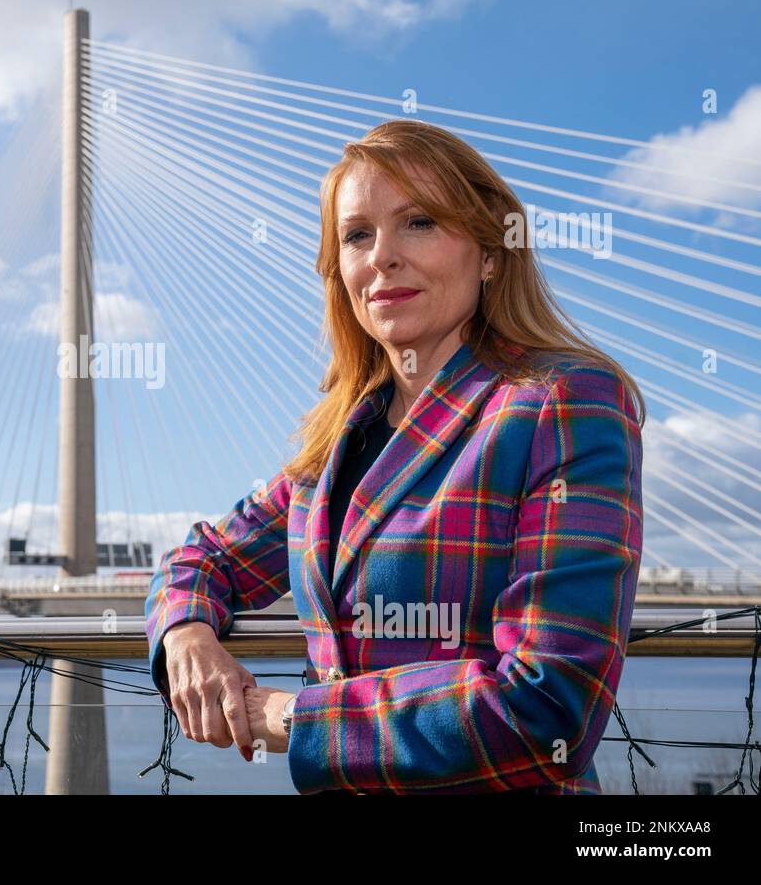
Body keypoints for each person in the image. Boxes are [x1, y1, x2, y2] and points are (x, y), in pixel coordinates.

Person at [144, 119, 644, 794]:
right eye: (357, 234)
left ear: (491, 251)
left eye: (418, 222)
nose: (381, 256)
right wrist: (187, 637)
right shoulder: (339, 440)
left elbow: (550, 708)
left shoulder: (560, 401)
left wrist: (290, 719)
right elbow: (202, 557)